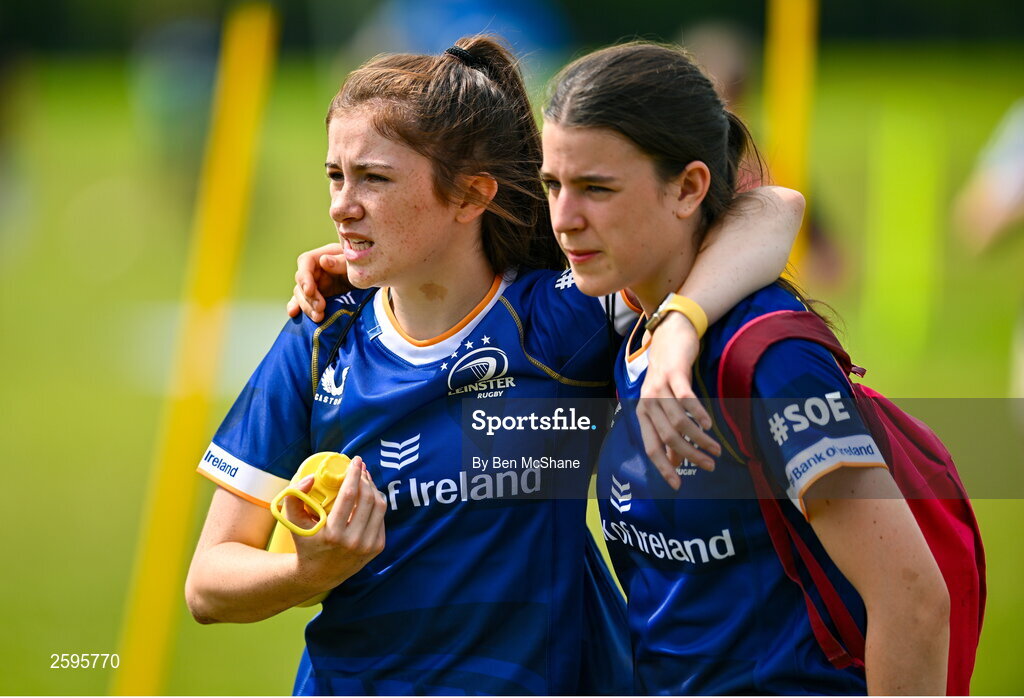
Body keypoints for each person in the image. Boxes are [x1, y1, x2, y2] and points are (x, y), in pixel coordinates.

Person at [188, 36, 801, 695]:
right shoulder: (319, 335)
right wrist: (307, 573)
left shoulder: (562, 320)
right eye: (336, 176)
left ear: (470, 195)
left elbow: (773, 208)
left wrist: (680, 325)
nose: (341, 203)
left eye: (375, 178)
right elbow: (209, 584)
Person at [539, 41, 950, 695]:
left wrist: (685, 325)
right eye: (553, 185)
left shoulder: (770, 362)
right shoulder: (623, 318)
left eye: (596, 188)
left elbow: (914, 602)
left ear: (690, 187)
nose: (563, 219)